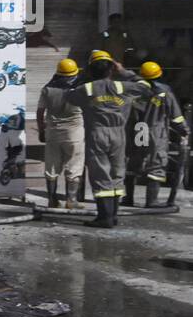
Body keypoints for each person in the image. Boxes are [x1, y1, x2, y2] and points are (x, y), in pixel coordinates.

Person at [66, 50, 156, 228]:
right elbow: (147, 88)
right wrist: (124, 72)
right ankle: (113, 216)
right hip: (119, 135)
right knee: (116, 173)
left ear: (91, 70)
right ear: (111, 70)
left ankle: (104, 218)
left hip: (97, 134)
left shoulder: (86, 89)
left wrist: (84, 75)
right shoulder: (123, 87)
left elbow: (68, 95)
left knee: (101, 174)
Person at [123, 60, 187, 207]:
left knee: (134, 161)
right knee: (156, 163)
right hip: (155, 132)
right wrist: (184, 131)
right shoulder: (164, 92)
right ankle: (151, 201)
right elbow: (176, 116)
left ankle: (128, 198)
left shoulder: (135, 90)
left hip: (139, 130)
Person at [37, 58, 85, 209]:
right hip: (74, 134)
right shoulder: (80, 90)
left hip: (53, 133)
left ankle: (52, 200)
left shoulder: (47, 89)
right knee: (74, 166)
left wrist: (41, 130)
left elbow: (40, 112)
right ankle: (71, 200)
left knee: (51, 167)